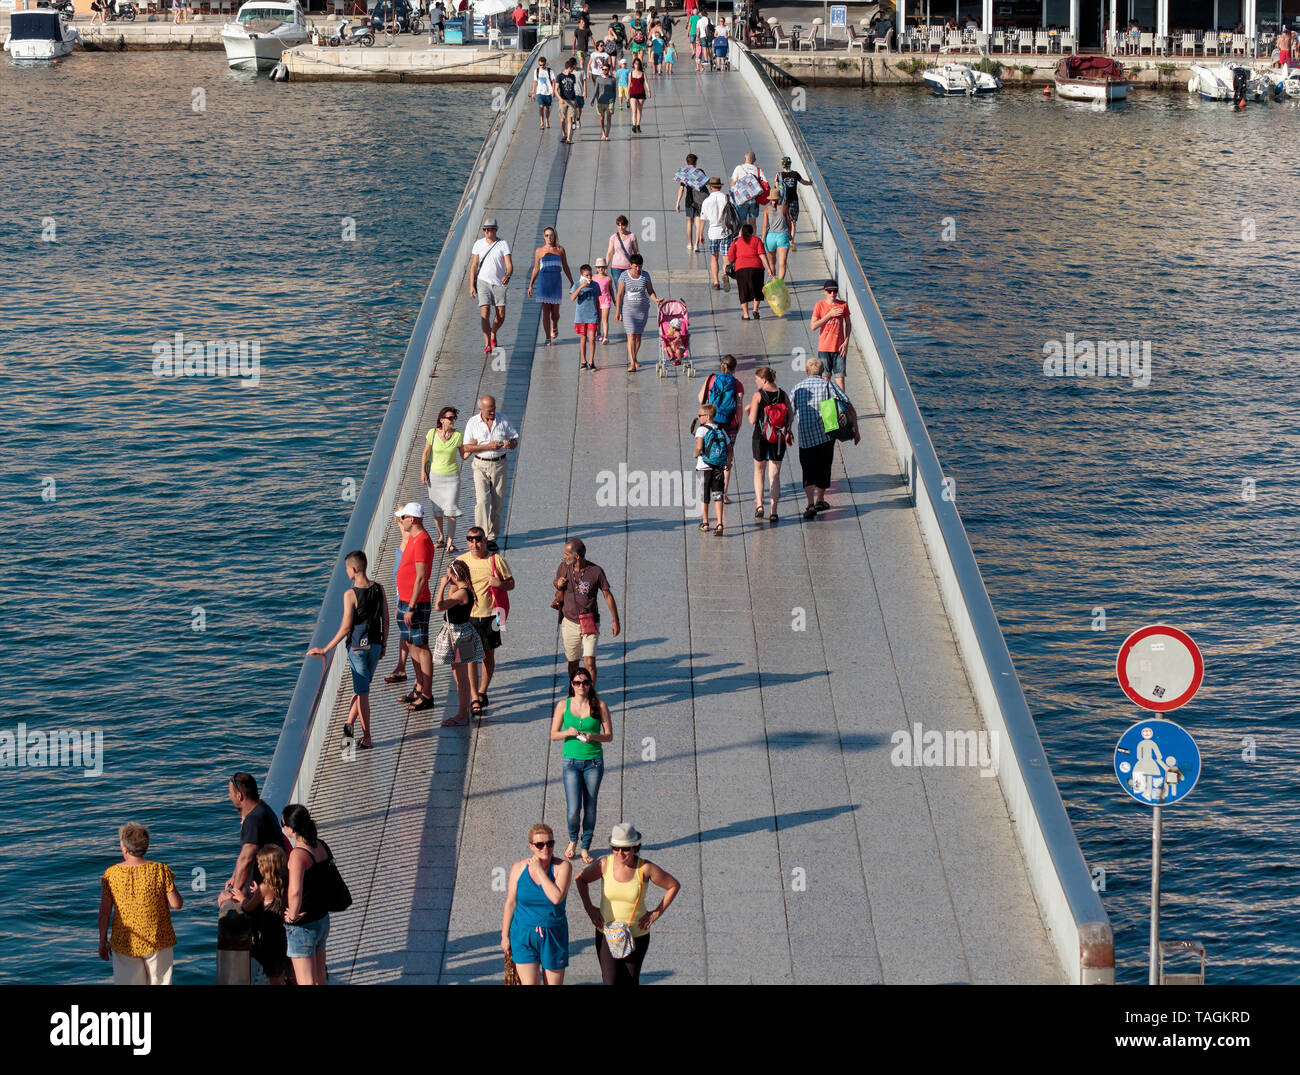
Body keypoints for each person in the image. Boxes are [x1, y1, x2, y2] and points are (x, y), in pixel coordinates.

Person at [576, 822, 680, 986]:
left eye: (625, 849)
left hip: (636, 934)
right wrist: (589, 908)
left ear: (635, 847)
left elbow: (673, 885)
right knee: (610, 981)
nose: (620, 852)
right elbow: (581, 879)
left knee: (630, 981)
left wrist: (656, 913)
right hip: (606, 933)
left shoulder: (645, 868)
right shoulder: (604, 864)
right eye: (615, 848)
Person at [307, 550, 388, 750]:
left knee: (363, 694)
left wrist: (325, 648)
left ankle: (367, 736)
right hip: (375, 645)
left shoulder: (350, 594)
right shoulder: (379, 589)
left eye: (346, 569)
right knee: (362, 690)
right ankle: (349, 728)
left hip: (358, 648)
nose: (346, 572)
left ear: (353, 569)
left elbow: (345, 627)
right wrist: (384, 644)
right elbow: (385, 620)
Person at [98, 823, 182, 985]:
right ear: (146, 846)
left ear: (124, 847)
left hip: (125, 942)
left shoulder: (111, 874)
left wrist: (102, 940)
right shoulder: (160, 870)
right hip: (158, 939)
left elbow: (104, 912)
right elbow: (176, 904)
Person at [550, 671, 612, 864]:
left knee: (591, 807)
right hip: (570, 762)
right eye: (577, 683)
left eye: (585, 683)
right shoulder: (563, 705)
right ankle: (572, 839)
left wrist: (592, 736)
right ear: (572, 684)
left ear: (590, 684)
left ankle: (585, 846)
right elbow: (553, 734)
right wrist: (567, 732)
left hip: (593, 761)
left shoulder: (599, 706)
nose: (581, 686)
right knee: (573, 808)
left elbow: (609, 736)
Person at [501, 824, 572, 985]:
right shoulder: (518, 868)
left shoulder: (563, 867)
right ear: (531, 846)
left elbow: (556, 898)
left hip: (553, 933)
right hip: (523, 934)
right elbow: (511, 902)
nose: (545, 848)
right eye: (540, 844)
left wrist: (539, 870)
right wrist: (504, 935)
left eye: (550, 843)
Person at [791, 357, 860, 520]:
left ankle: (809, 504)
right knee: (824, 466)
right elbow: (848, 404)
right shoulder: (828, 385)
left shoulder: (797, 388)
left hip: (806, 437)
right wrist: (856, 430)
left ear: (807, 371)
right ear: (822, 372)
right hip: (826, 435)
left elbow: (790, 413)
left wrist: (787, 431)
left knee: (808, 469)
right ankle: (820, 500)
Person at [455, 524, 513, 713]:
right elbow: (453, 586)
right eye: (470, 539)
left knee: (488, 655)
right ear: (466, 542)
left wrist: (499, 583)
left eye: (478, 539)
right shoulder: (460, 561)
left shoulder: (496, 560)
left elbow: (511, 583)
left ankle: (482, 691)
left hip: (492, 616)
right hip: (468, 617)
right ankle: (474, 697)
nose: (474, 543)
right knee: (470, 658)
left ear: (485, 540)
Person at [281, 804, 336, 986]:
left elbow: (295, 891)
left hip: (304, 926)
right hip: (321, 919)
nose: (282, 828)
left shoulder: (298, 855)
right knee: (321, 978)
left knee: (306, 982)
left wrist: (292, 916)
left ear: (292, 828)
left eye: (283, 824)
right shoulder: (321, 846)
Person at [221, 844, 291, 985]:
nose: (258, 867)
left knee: (274, 977)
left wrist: (242, 898)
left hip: (269, 937)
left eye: (259, 864)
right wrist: (257, 892)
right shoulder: (285, 882)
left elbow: (248, 907)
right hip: (282, 934)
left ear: (266, 867)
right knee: (279, 972)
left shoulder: (264, 887)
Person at [553, 539, 620, 686]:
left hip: (589, 621)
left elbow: (607, 595)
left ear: (576, 556)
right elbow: (556, 581)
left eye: (566, 553)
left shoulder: (596, 571)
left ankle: (591, 696)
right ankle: (576, 691)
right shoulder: (564, 567)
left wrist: (615, 620)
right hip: (569, 622)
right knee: (573, 663)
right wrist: (558, 583)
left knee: (589, 661)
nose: (564, 556)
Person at [431, 558, 484, 726]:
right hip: (462, 634)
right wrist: (451, 584)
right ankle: (462, 712)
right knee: (459, 676)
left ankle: (462, 714)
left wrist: (442, 585)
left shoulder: (461, 593)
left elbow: (439, 606)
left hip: (459, 637)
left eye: (449, 575)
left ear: (454, 575)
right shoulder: (464, 589)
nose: (447, 578)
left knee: (461, 678)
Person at [394, 501, 435, 712]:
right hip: (406, 600)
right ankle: (419, 686)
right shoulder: (412, 538)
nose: (401, 521)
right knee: (410, 643)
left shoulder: (421, 541)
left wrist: (410, 606)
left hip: (416, 602)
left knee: (421, 646)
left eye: (403, 518)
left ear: (413, 519)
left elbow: (421, 578)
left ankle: (427, 693)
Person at [463, 394, 519, 546]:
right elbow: (466, 448)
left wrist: (510, 444)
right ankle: (480, 535)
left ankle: (493, 536)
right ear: (481, 409)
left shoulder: (503, 420)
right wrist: (488, 446)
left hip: (499, 464)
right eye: (489, 410)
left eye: (494, 409)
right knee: (482, 500)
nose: (492, 412)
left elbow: (514, 440)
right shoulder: (473, 423)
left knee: (498, 502)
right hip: (480, 464)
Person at [224, 772, 284, 899]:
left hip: (267, 891)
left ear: (239, 796)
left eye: (230, 792)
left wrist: (233, 892)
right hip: (276, 882)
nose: (228, 795)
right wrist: (236, 877)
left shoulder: (253, 821)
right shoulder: (263, 808)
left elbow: (246, 859)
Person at [746, 365, 793, 523]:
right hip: (779, 438)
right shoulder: (783, 394)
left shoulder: (758, 395)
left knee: (759, 471)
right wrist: (788, 430)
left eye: (757, 379)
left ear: (764, 379)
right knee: (775, 474)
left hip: (761, 437)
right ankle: (774, 511)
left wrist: (749, 410)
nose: (756, 381)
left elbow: (752, 420)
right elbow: (790, 416)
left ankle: (760, 505)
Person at [421, 406, 466, 552]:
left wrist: (475, 448)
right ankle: (441, 536)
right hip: (435, 477)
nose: (453, 420)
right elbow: (426, 453)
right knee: (437, 510)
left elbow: (463, 455)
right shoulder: (432, 433)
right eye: (450, 418)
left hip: (452, 477)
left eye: (454, 418)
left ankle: (450, 542)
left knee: (451, 510)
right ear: (442, 420)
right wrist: (423, 471)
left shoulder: (458, 435)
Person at [469, 218, 512, 356]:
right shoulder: (478, 244)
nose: (487, 232)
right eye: (485, 229)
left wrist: (507, 274)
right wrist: (472, 285)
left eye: (490, 229)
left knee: (501, 314)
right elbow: (474, 265)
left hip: (498, 282)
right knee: (485, 312)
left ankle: (493, 332)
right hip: (482, 282)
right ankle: (487, 343)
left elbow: (509, 265)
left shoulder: (502, 244)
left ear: (496, 229)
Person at [614, 253, 660, 373]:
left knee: (638, 335)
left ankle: (634, 358)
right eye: (635, 267)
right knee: (630, 335)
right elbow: (619, 294)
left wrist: (656, 299)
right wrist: (617, 311)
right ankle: (632, 363)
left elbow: (650, 291)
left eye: (640, 266)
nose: (638, 269)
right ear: (630, 265)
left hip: (642, 309)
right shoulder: (624, 276)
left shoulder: (645, 275)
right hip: (628, 310)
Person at [527, 226, 574, 344]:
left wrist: (572, 282)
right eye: (547, 235)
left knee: (555, 312)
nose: (549, 237)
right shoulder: (539, 251)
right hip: (544, 282)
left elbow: (566, 266)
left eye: (551, 235)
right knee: (546, 311)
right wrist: (531, 284)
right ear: (543, 237)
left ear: (555, 236)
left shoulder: (560, 250)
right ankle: (547, 337)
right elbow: (536, 268)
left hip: (556, 282)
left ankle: (555, 323)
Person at [693, 402, 729, 535]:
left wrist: (695, 455)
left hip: (704, 466)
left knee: (704, 495)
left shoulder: (701, 429)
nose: (699, 418)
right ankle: (719, 524)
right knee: (718, 495)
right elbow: (729, 448)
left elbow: (699, 447)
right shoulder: (721, 430)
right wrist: (728, 462)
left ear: (707, 416)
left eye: (700, 415)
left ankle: (705, 523)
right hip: (718, 467)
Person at [727, 222, 772, 321]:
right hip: (757, 268)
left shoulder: (736, 241)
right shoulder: (757, 240)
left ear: (742, 232)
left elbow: (731, 256)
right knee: (757, 289)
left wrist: (735, 260)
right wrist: (768, 268)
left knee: (743, 291)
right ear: (752, 232)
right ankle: (755, 310)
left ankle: (746, 314)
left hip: (741, 269)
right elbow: (762, 254)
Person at [810, 279, 851, 390]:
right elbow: (813, 326)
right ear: (825, 292)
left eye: (835, 291)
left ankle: (841, 406)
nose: (832, 294)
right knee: (825, 380)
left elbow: (848, 324)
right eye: (829, 291)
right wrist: (829, 315)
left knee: (840, 380)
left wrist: (846, 342)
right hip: (824, 348)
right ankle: (826, 406)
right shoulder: (819, 305)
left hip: (839, 348)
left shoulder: (843, 305)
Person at [773, 156, 811, 252]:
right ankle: (791, 242)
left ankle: (783, 240)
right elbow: (803, 182)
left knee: (784, 221)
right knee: (793, 222)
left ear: (782, 164)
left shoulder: (779, 175)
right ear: (790, 164)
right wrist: (811, 183)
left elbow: (776, 189)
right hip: (794, 200)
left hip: (783, 201)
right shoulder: (795, 174)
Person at [700, 176, 731, 290]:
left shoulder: (706, 201)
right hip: (725, 231)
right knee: (725, 257)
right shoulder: (726, 198)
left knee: (714, 257)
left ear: (710, 187)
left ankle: (716, 282)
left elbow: (702, 219)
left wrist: (700, 234)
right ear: (720, 186)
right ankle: (726, 275)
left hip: (713, 232)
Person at [570, 263, 601, 370]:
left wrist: (599, 317)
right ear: (582, 275)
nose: (589, 277)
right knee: (583, 338)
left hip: (592, 315)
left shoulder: (595, 285)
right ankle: (583, 361)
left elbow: (597, 301)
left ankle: (591, 361)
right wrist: (581, 286)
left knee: (592, 339)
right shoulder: (577, 284)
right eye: (587, 275)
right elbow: (572, 297)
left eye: (590, 275)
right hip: (581, 316)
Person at [674, 153, 706, 252]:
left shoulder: (685, 173)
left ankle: (690, 243)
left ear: (687, 162)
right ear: (695, 162)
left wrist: (677, 202)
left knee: (689, 222)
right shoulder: (700, 172)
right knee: (698, 222)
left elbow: (681, 189)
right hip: (699, 200)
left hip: (689, 200)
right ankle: (696, 245)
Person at [762, 189, 793, 281]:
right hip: (782, 236)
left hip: (770, 237)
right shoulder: (784, 208)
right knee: (782, 262)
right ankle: (780, 282)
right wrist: (790, 234)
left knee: (771, 262)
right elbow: (788, 222)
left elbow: (765, 225)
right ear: (779, 198)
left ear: (770, 198)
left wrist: (763, 238)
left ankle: (773, 279)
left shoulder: (766, 210)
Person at [729, 151, 765, 226]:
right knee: (753, 222)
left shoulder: (739, 168)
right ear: (754, 160)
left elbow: (732, 184)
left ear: (745, 158)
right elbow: (764, 184)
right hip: (754, 200)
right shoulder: (758, 170)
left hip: (742, 200)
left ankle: (743, 237)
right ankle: (752, 237)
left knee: (742, 222)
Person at [604, 215, 638, 292]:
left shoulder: (631, 236)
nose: (620, 227)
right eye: (618, 225)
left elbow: (636, 251)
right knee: (619, 290)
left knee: (629, 290)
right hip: (616, 267)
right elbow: (610, 252)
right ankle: (620, 304)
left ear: (626, 225)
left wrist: (637, 265)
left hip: (628, 267)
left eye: (622, 225)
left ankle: (626, 304)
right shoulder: (613, 237)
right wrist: (606, 266)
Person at [589, 55, 618, 141]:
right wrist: (593, 99)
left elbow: (614, 91)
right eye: (603, 69)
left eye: (606, 69)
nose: (604, 71)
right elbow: (596, 90)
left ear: (608, 70)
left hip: (610, 101)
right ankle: (603, 132)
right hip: (601, 100)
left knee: (609, 118)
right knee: (601, 118)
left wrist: (614, 100)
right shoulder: (598, 79)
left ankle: (607, 134)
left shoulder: (612, 79)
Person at [555, 58, 581, 145]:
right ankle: (564, 134)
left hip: (572, 100)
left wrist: (575, 100)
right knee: (562, 119)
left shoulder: (573, 76)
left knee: (570, 119)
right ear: (569, 67)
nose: (573, 69)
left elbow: (573, 89)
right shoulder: (560, 76)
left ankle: (569, 138)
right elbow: (555, 90)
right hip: (563, 100)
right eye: (573, 68)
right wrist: (560, 98)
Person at [531, 55, 556, 131]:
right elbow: (535, 81)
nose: (541, 66)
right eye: (540, 65)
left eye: (543, 65)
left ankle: (547, 120)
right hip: (539, 92)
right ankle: (541, 122)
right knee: (541, 106)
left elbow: (553, 81)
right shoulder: (537, 71)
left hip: (548, 92)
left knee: (547, 107)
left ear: (545, 63)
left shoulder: (549, 71)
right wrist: (533, 92)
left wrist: (553, 91)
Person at [592, 257, 614, 342]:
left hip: (606, 300)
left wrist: (614, 300)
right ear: (596, 268)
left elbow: (611, 290)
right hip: (597, 300)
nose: (600, 269)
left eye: (602, 267)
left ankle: (605, 337)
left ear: (605, 268)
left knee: (605, 319)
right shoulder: (593, 278)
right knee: (598, 318)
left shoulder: (608, 278)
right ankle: (598, 334)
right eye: (598, 267)